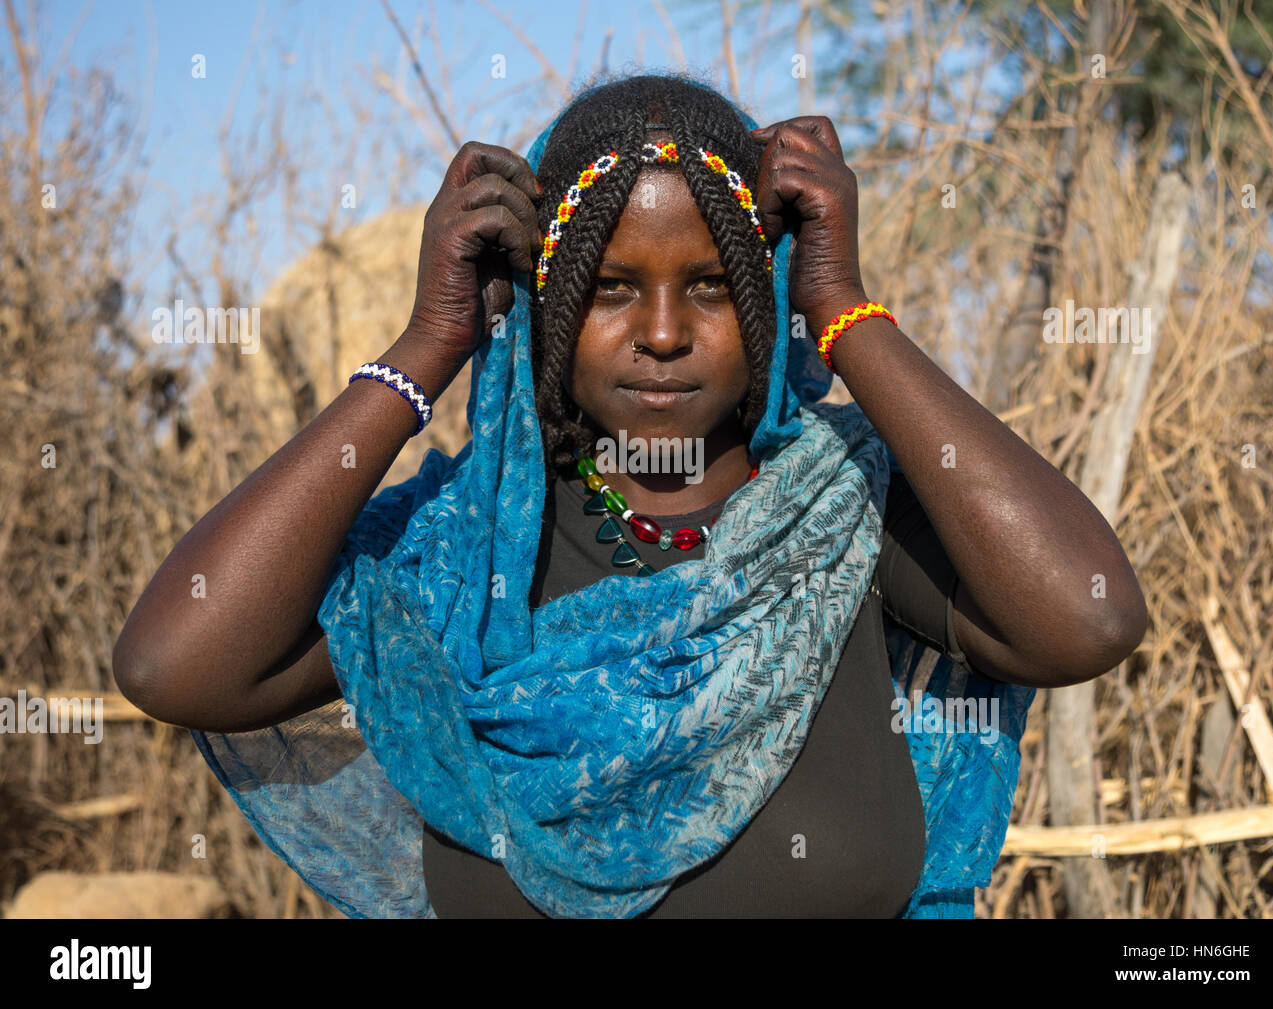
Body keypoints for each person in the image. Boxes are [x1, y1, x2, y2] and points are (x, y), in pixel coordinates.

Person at [112, 72, 1147, 919]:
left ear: (761, 300)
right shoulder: (463, 562)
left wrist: (838, 306)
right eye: (610, 288)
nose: (662, 331)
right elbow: (174, 662)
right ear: (550, 308)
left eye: (710, 287)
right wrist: (426, 348)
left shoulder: (843, 520)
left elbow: (1088, 614)